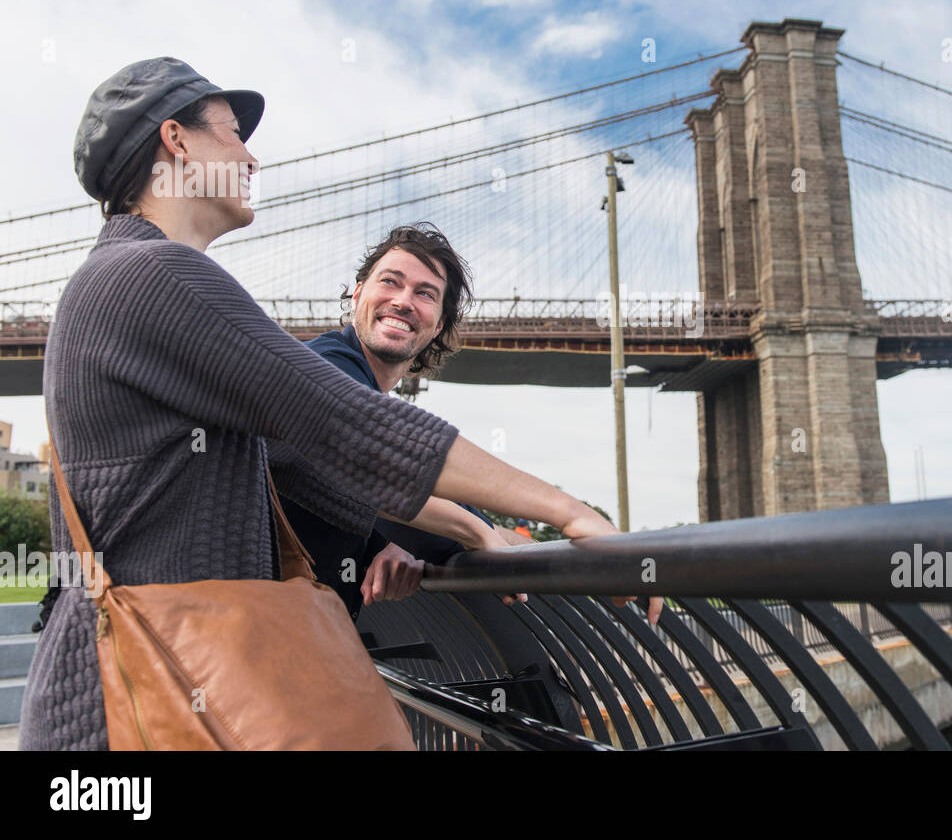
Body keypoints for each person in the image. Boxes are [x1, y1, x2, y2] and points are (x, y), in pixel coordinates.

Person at [20, 57, 659, 751]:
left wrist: (462, 534)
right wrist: (571, 512)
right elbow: (348, 424)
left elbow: (303, 464)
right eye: (232, 133)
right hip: (136, 708)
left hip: (123, 693)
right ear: (177, 140)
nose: (250, 155)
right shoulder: (153, 273)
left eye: (427, 295)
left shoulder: (118, 274)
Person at [268, 222, 537, 619]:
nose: (403, 301)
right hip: (242, 642)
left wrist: (381, 543)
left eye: (425, 293)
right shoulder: (322, 367)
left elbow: (332, 487)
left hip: (293, 638)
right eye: (390, 282)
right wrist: (478, 532)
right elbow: (381, 466)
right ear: (358, 291)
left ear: (439, 325)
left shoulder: (356, 383)